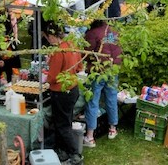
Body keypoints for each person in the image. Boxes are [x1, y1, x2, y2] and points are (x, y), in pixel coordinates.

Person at [42, 21, 82, 163]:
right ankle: (62, 151)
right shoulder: (72, 44)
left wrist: (45, 78)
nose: (48, 41)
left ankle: (74, 153)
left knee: (62, 124)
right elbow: (79, 67)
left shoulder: (59, 52)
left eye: (47, 38)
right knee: (66, 121)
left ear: (52, 36)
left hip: (61, 91)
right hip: (73, 88)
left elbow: (52, 77)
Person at [83, 18, 123, 148]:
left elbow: (87, 52)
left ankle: (90, 136)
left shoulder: (92, 33)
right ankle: (112, 128)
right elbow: (117, 50)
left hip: (98, 71)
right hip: (112, 69)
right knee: (111, 98)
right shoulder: (112, 31)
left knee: (92, 101)